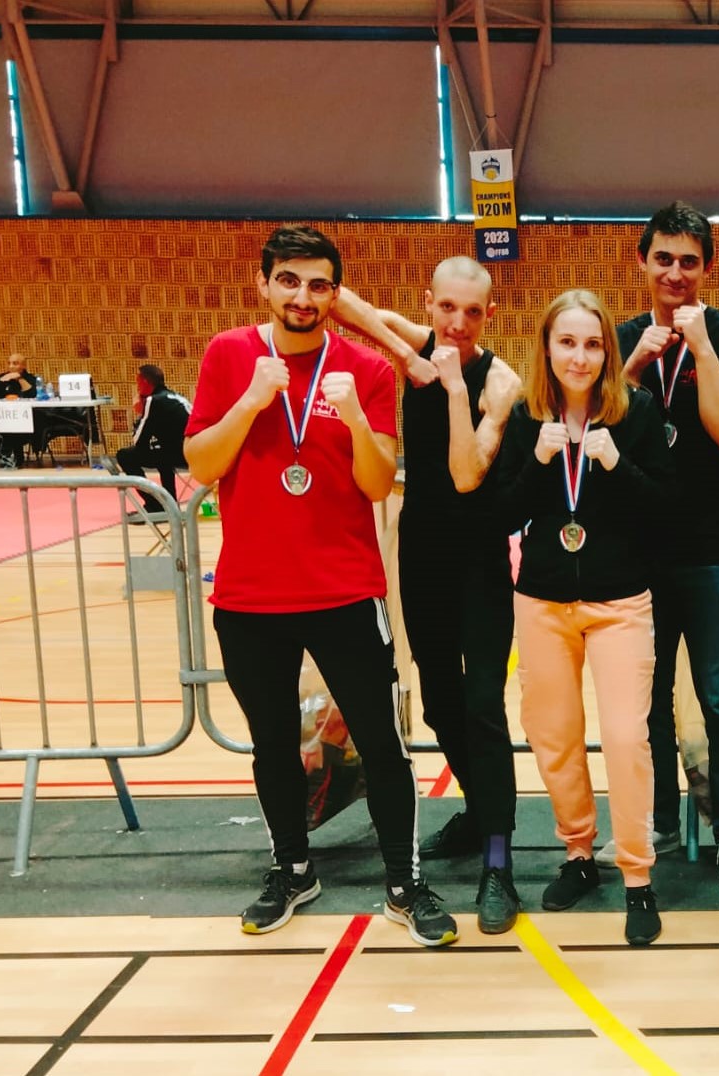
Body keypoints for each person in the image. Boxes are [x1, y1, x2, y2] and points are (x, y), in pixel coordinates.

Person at [184, 225, 457, 947]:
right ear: (265, 284)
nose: (303, 296)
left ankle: (405, 880)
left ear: (336, 294)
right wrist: (250, 402)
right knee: (272, 745)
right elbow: (203, 464)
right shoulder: (228, 355)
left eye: (318, 284)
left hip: (345, 590)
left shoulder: (365, 369)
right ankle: (292, 868)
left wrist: (360, 418)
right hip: (250, 597)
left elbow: (376, 484)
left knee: (382, 741)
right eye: (289, 281)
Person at [331, 257, 525, 935]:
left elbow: (467, 474)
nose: (458, 323)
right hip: (422, 553)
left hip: (480, 560)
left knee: (482, 707)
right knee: (440, 700)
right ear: (429, 302)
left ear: (491, 316)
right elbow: (341, 301)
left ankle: (499, 863)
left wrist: (447, 386)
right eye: (447, 308)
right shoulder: (418, 341)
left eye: (473, 312)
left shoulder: (500, 383)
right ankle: (479, 811)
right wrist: (405, 352)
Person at [493, 289, 674, 945]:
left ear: (608, 351)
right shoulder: (524, 419)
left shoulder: (639, 414)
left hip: (620, 602)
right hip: (542, 601)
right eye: (567, 342)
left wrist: (617, 463)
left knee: (627, 738)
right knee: (555, 736)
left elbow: (663, 509)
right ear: (547, 349)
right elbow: (501, 513)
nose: (579, 355)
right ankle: (578, 853)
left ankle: (637, 876)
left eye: (592, 343)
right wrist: (541, 463)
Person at [606, 201, 719, 895]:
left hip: (714, 549)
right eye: (663, 258)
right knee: (644, 699)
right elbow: (597, 432)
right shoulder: (616, 340)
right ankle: (655, 822)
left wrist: (698, 348)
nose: (675, 272)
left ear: (707, 269)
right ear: (641, 262)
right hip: (635, 552)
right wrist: (634, 368)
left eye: (689, 261)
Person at [117, 364, 192, 521]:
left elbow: (139, 440)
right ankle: (170, 505)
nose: (137, 388)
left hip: (181, 454)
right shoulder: (174, 396)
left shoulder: (153, 400)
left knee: (125, 455)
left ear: (145, 382)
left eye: (137, 383)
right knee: (162, 450)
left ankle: (155, 506)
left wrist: (140, 413)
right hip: (192, 451)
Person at [0, 353, 38, 468]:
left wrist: (19, 379)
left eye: (15, 363)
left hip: (26, 420)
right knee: (1, 427)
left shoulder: (31, 379)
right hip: (3, 418)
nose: (11, 366)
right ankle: (8, 457)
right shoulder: (1, 378)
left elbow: (33, 394)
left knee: (13, 428)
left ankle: (12, 458)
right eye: (9, 363)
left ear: (23, 366)